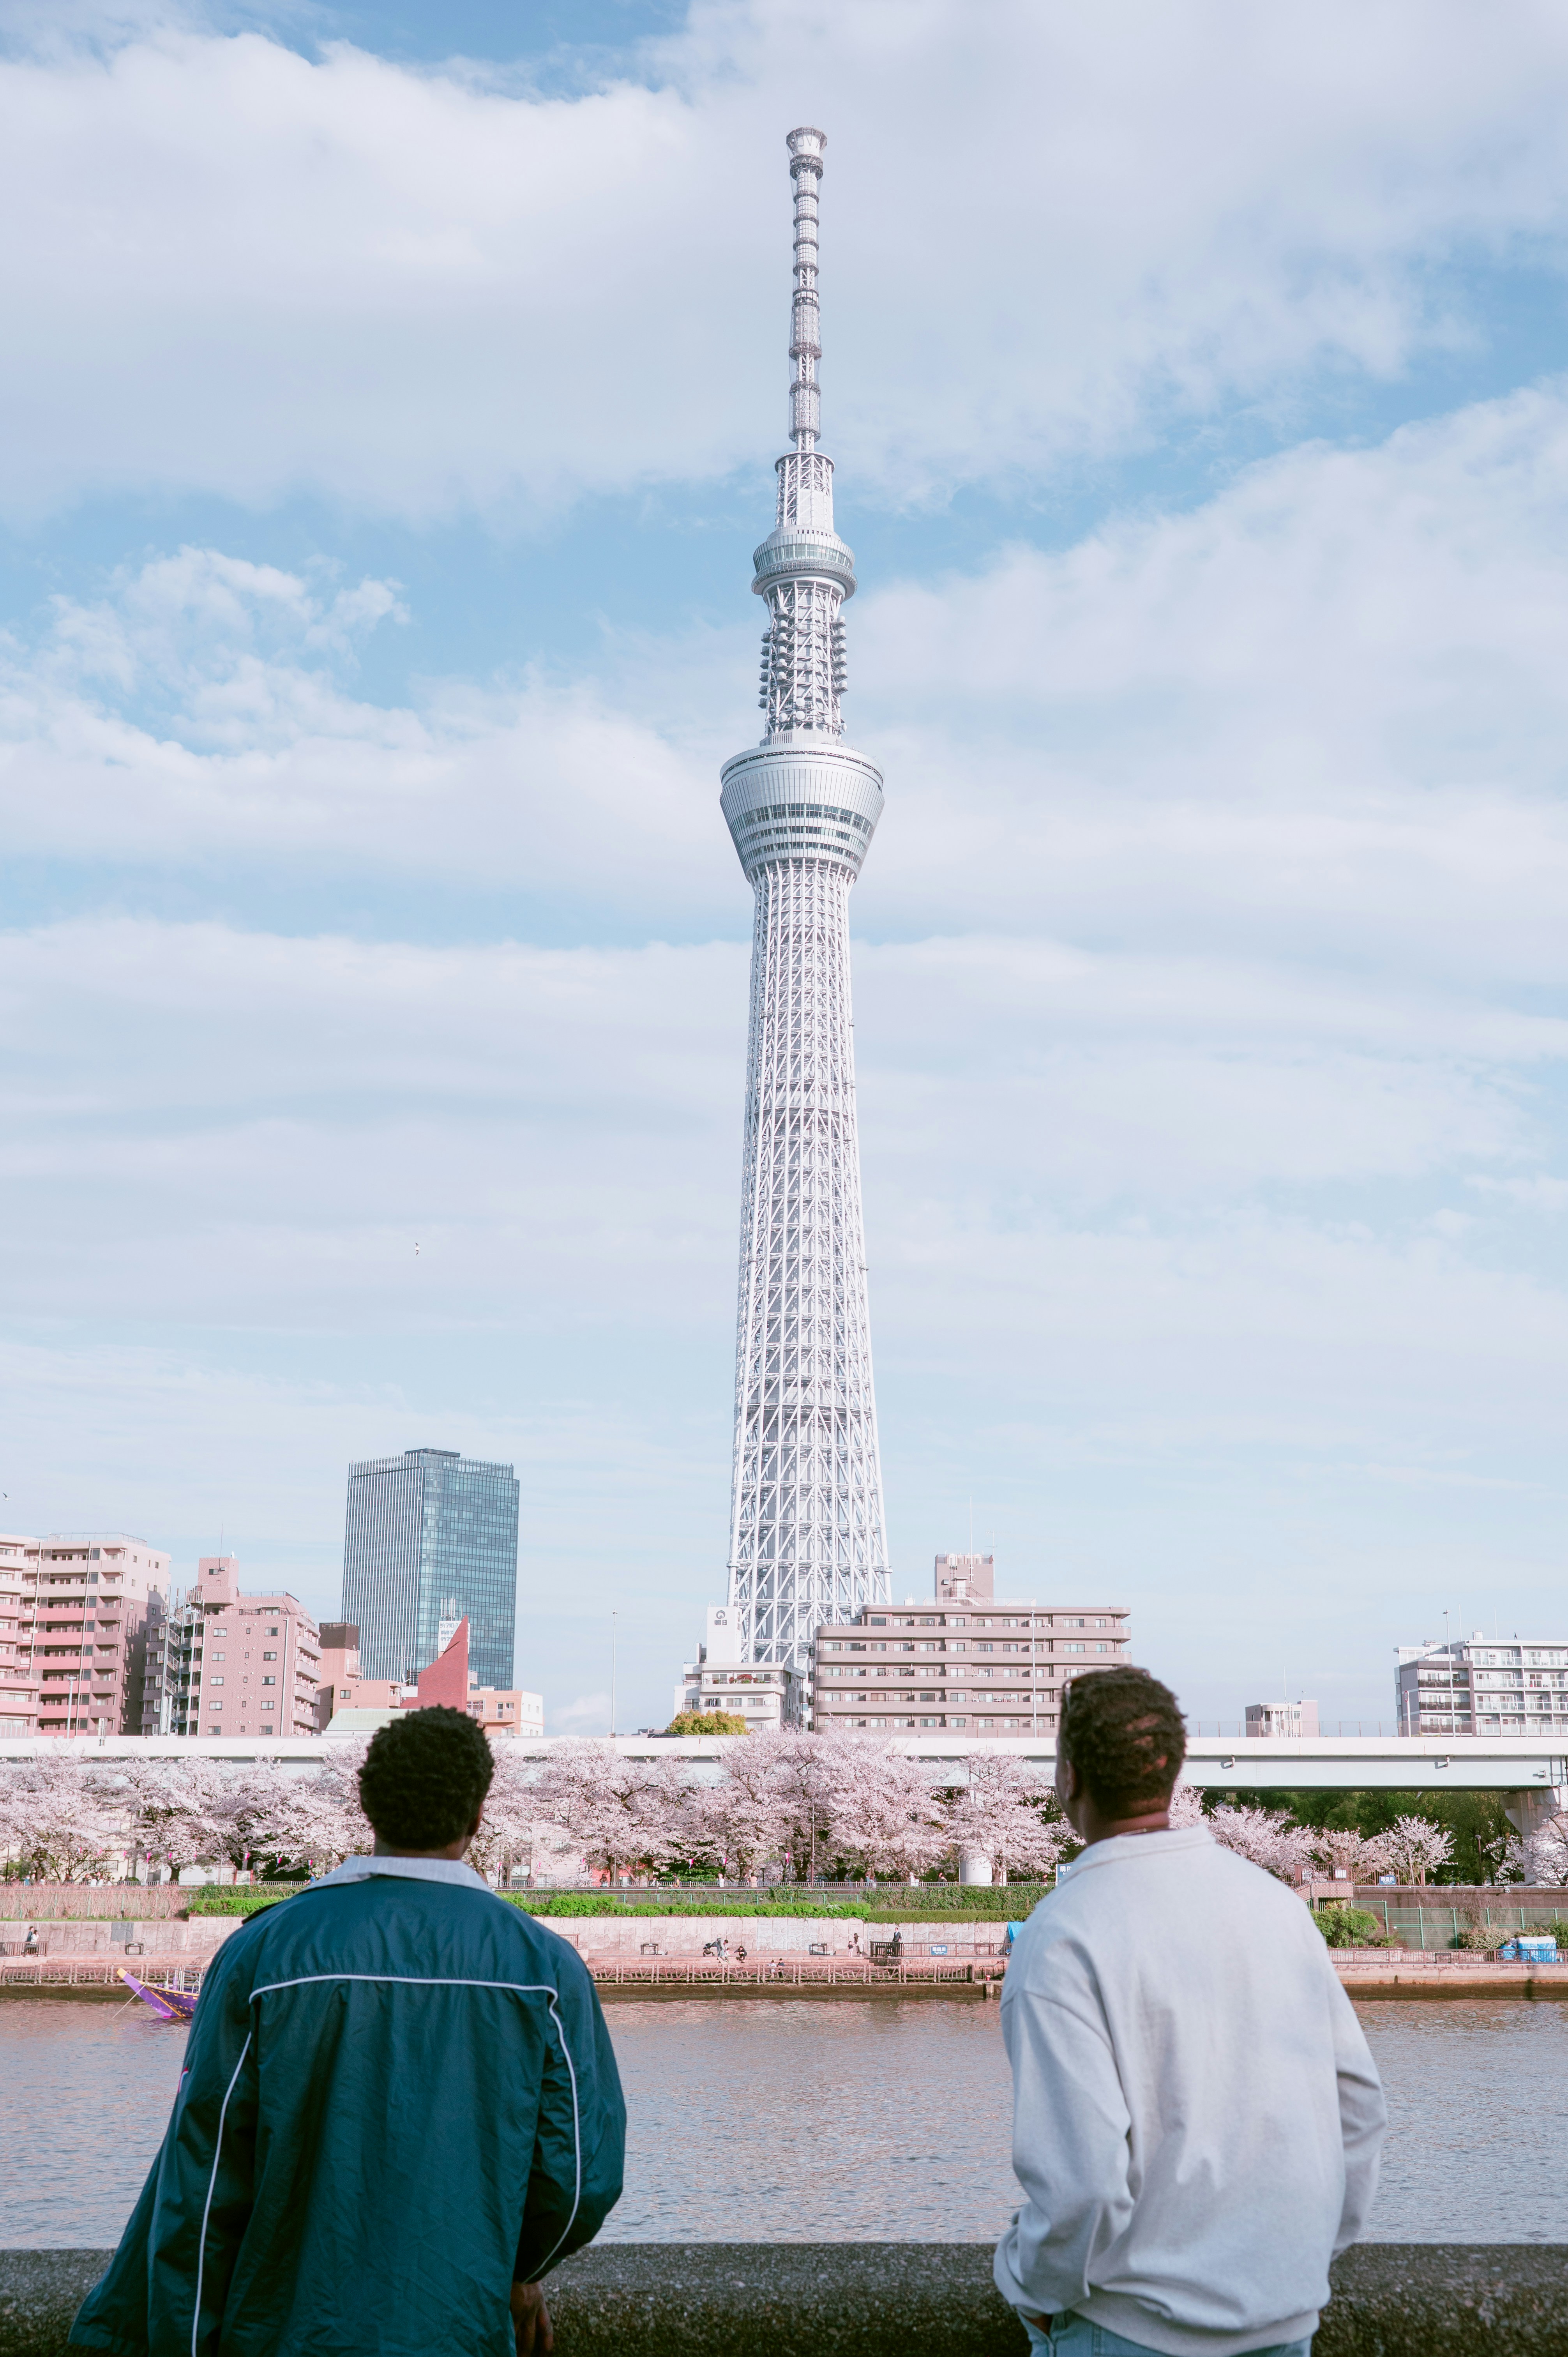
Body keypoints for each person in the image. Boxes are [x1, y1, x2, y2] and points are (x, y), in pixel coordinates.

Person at [72, 1707, 625, 2357]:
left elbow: (203, 2172)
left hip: (281, 2329)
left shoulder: (263, 1950)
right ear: (478, 1817)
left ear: (366, 1806)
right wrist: (514, 2266)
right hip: (461, 2325)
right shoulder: (546, 1968)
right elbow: (583, 2180)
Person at [995, 1667, 1386, 2357]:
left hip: (1127, 2326)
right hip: (1283, 2318)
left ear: (1070, 1775)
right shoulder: (1275, 1907)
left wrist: (1030, 2285)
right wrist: (1302, 2260)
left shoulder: (1062, 1935)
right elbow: (1357, 2108)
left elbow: (1081, 2183)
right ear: (1174, 1769)